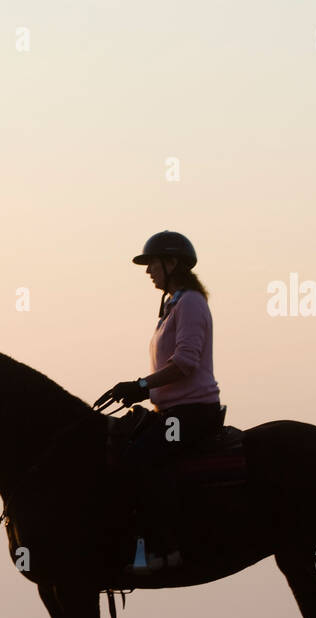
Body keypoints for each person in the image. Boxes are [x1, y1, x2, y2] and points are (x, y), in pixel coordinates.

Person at [94, 231, 222, 574]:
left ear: (172, 263)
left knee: (138, 460)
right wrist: (144, 392)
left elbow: (185, 363)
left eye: (152, 263)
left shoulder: (191, 302)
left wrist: (140, 385)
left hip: (192, 413)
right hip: (170, 410)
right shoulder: (174, 304)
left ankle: (167, 549)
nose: (149, 270)